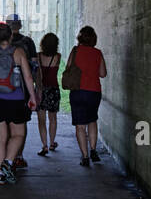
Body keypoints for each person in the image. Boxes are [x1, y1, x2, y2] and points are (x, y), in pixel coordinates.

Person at [0, 22, 38, 185]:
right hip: (16, 99)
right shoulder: (19, 52)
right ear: (11, 36)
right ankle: (8, 162)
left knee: (0, 137)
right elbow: (28, 77)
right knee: (18, 134)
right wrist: (32, 97)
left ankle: (0, 174)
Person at [65, 25, 107, 167]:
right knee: (92, 120)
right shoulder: (98, 53)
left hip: (78, 91)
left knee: (80, 126)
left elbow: (68, 68)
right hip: (94, 91)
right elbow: (102, 74)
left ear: (80, 38)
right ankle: (93, 149)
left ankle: (85, 157)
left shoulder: (75, 51)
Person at [7, 14, 38, 170]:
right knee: (20, 124)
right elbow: (34, 66)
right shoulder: (28, 42)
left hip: (0, 90)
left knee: (4, 124)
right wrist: (36, 88)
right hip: (22, 90)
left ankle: (7, 156)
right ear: (20, 26)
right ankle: (18, 156)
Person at [33, 32, 62, 157]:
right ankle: (51, 143)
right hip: (53, 89)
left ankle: (44, 145)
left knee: (41, 120)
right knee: (53, 118)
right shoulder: (58, 56)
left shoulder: (38, 56)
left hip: (40, 88)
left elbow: (37, 72)